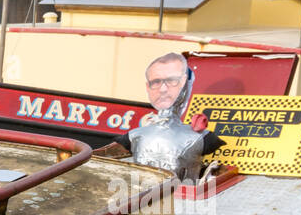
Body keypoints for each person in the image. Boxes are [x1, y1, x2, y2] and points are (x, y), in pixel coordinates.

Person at [94, 52, 225, 182]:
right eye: (157, 82)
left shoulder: (135, 135)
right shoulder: (201, 137)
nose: (163, 89)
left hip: (145, 191)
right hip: (174, 191)